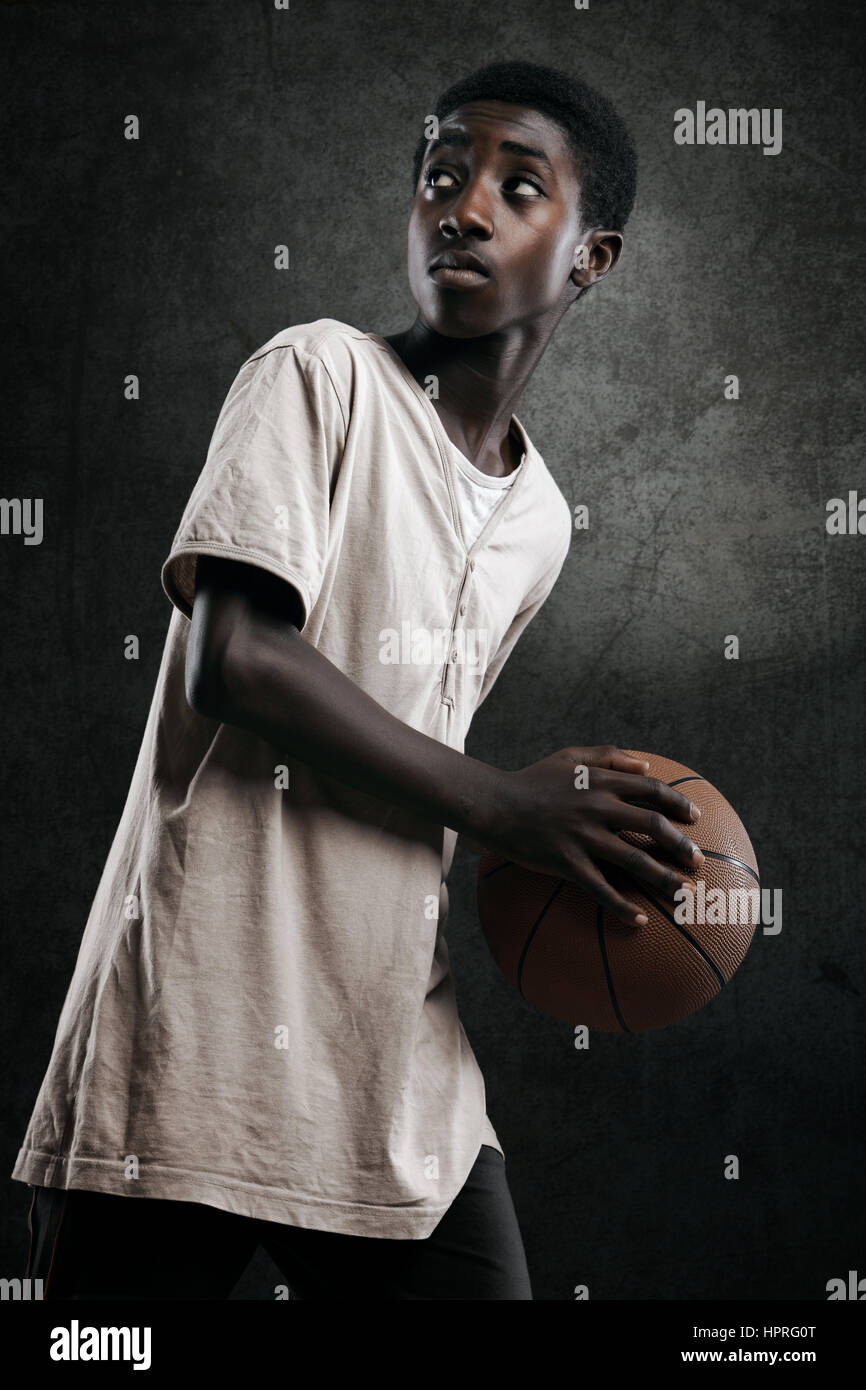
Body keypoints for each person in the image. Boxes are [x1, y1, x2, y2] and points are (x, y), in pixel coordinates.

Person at [13, 59, 703, 1301]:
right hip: (193, 1036)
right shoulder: (315, 373)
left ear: (592, 254)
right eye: (441, 177)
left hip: (390, 1055)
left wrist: (545, 851)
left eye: (515, 186)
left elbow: (404, 742)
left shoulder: (541, 518)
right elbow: (236, 664)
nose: (463, 206)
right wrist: (507, 805)